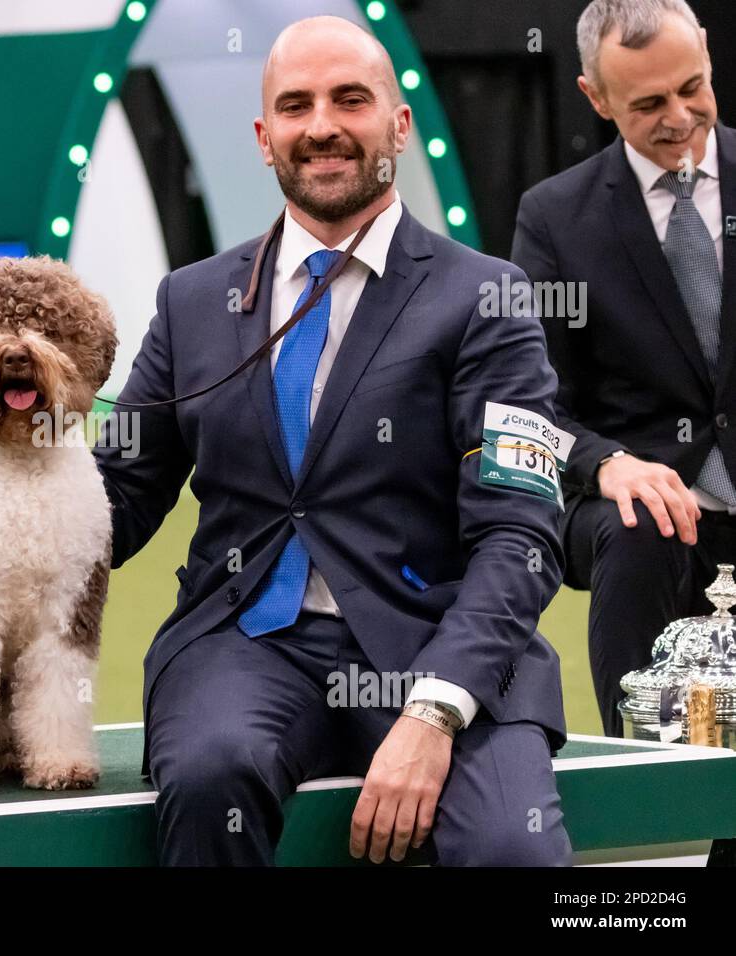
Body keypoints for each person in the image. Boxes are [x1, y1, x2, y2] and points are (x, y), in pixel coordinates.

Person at [92, 15, 572, 866]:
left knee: (511, 851)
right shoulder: (191, 300)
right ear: (263, 137)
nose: (322, 126)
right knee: (209, 780)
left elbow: (520, 534)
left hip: (439, 641)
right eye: (295, 105)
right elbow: (116, 501)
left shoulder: (489, 297)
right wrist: (5, 506)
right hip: (243, 646)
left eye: (351, 99)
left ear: (397, 121)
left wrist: (433, 712)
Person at [511, 0, 734, 737]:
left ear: (705, 49)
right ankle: (641, 760)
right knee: (645, 524)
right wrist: (607, 464)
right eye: (647, 103)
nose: (679, 116)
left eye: (692, 87)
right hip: (638, 520)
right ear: (594, 97)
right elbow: (525, 401)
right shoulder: (553, 218)